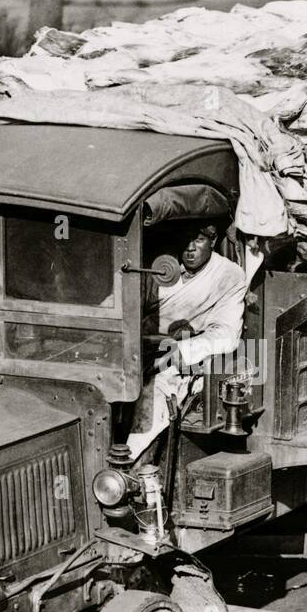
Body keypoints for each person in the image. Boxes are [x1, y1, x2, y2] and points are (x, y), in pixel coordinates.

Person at [127, 187, 248, 460]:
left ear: (214, 240)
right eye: (185, 239)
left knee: (154, 394)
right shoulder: (157, 266)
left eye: (200, 240)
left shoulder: (228, 275)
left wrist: (181, 352)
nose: (190, 247)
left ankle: (132, 466)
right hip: (135, 351)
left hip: (183, 361)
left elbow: (226, 334)